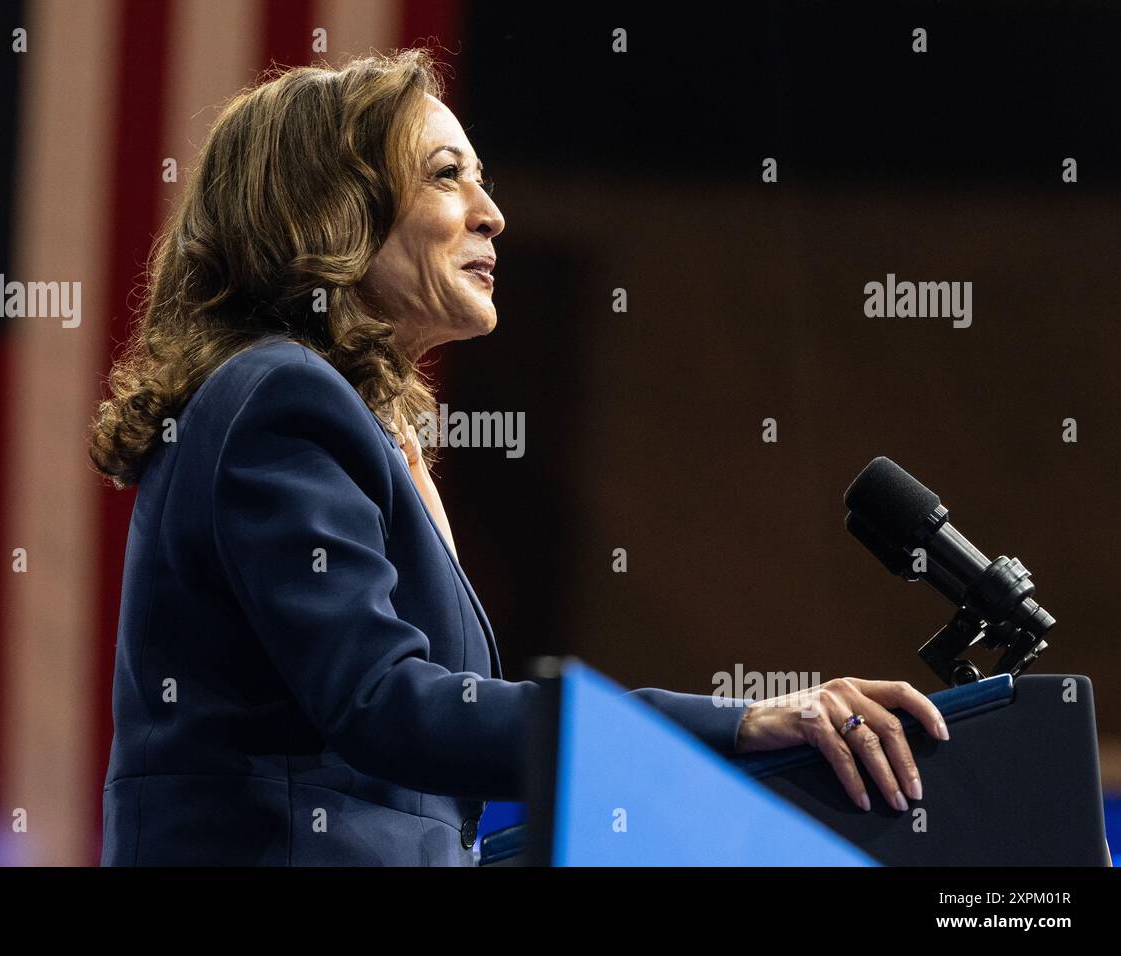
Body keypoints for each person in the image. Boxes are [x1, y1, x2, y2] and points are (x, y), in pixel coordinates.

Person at [89, 49, 948, 866]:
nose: (491, 211)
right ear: (331, 209)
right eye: (445, 174)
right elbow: (382, 704)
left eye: (483, 178)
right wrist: (735, 725)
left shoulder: (344, 421)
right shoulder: (282, 399)